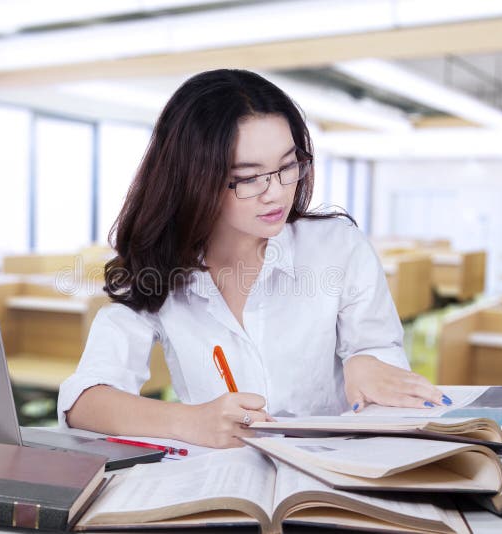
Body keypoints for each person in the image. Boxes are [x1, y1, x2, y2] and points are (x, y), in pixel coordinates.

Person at [58, 69, 446, 448]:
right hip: (222, 487)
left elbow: (381, 356)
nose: (276, 193)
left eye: (288, 166)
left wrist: (367, 362)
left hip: (333, 481)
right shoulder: (156, 268)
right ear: (194, 178)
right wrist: (191, 421)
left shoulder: (338, 247)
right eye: (248, 177)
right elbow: (83, 402)